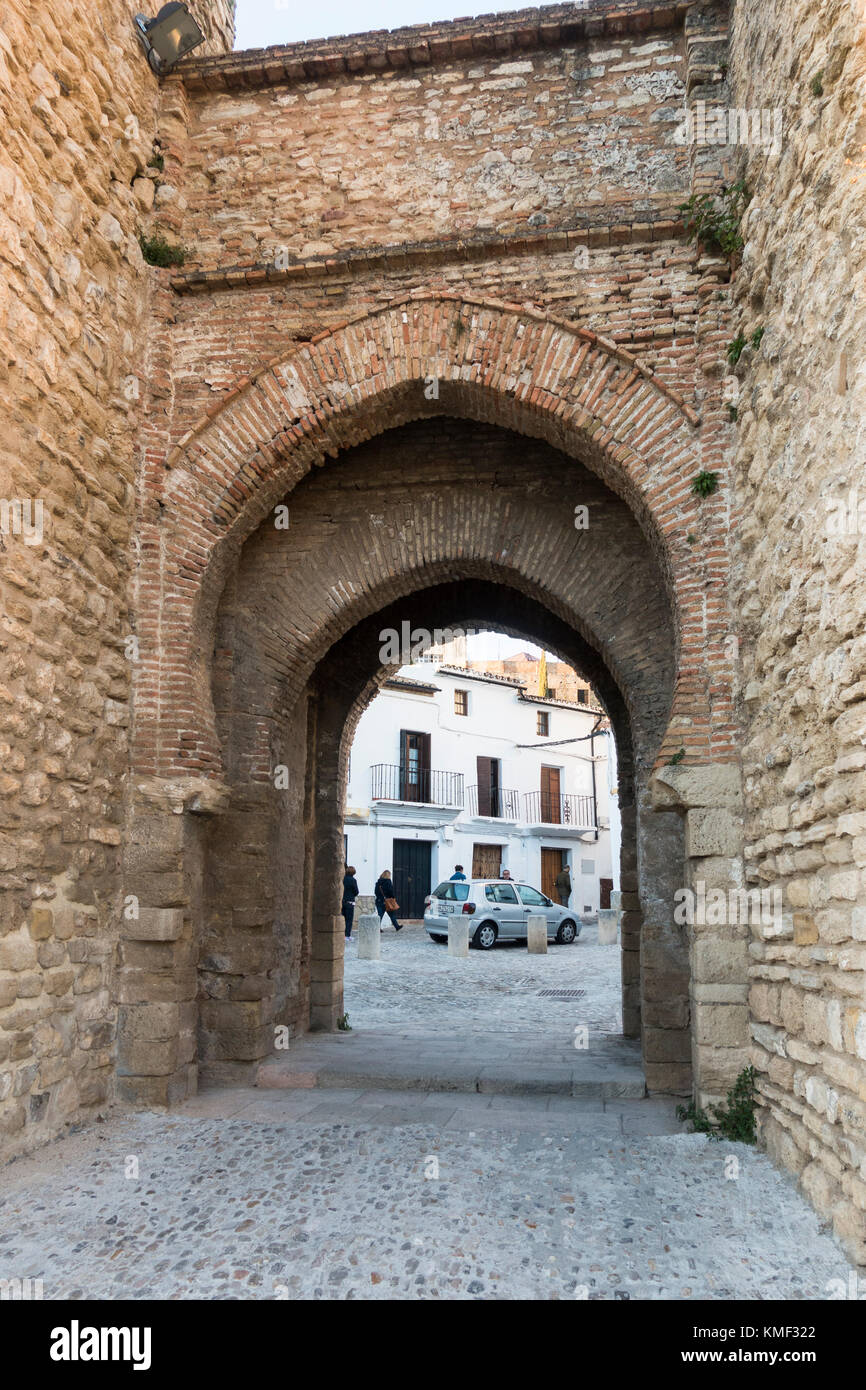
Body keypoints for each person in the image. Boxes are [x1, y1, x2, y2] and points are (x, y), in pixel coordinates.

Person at [341, 865, 360, 940]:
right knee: (349, 919)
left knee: (343, 918)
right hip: (350, 902)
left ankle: (341, 933)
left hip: (342, 901)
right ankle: (347, 935)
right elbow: (356, 891)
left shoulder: (343, 879)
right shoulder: (353, 880)